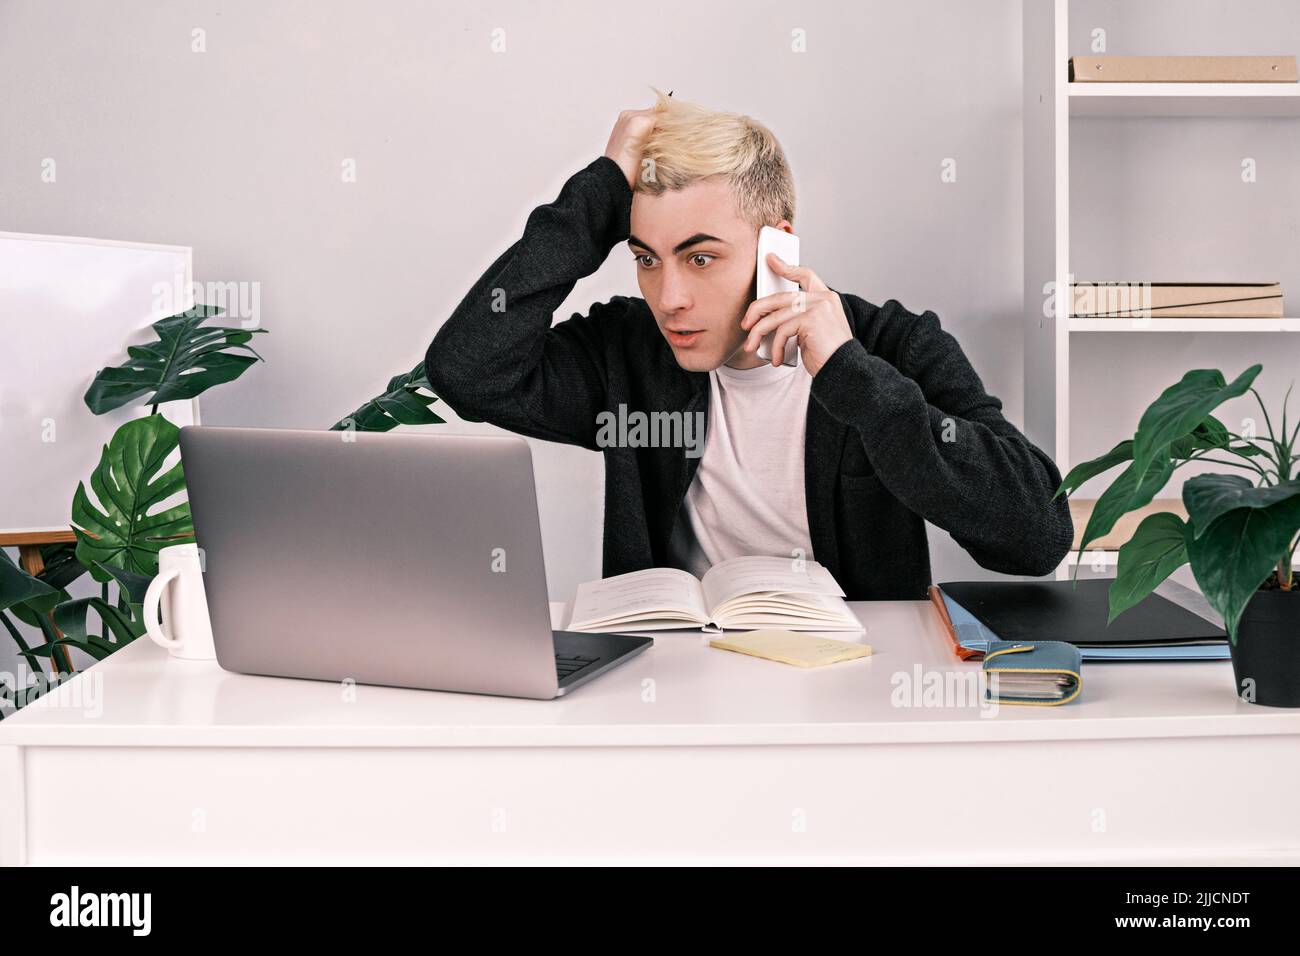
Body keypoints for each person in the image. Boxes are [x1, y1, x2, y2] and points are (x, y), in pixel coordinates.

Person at [425, 88, 1073, 600]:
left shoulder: (891, 346)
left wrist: (852, 376)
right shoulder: (627, 351)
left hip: (856, 697)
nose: (669, 296)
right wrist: (601, 193)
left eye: (700, 258)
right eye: (646, 258)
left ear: (776, 246)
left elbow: (1037, 537)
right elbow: (468, 370)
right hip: (673, 693)